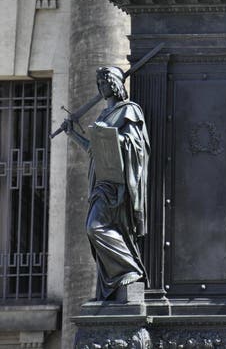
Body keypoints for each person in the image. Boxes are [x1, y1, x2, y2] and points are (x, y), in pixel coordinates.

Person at [62, 66, 150, 301]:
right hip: (100, 180)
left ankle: (129, 270)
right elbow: (94, 150)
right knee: (94, 228)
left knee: (95, 227)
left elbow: (136, 145)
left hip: (117, 182)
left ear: (115, 84)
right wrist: (73, 134)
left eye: (104, 82)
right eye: (99, 82)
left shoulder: (129, 110)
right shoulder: (104, 115)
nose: (101, 86)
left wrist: (112, 136)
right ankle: (118, 276)